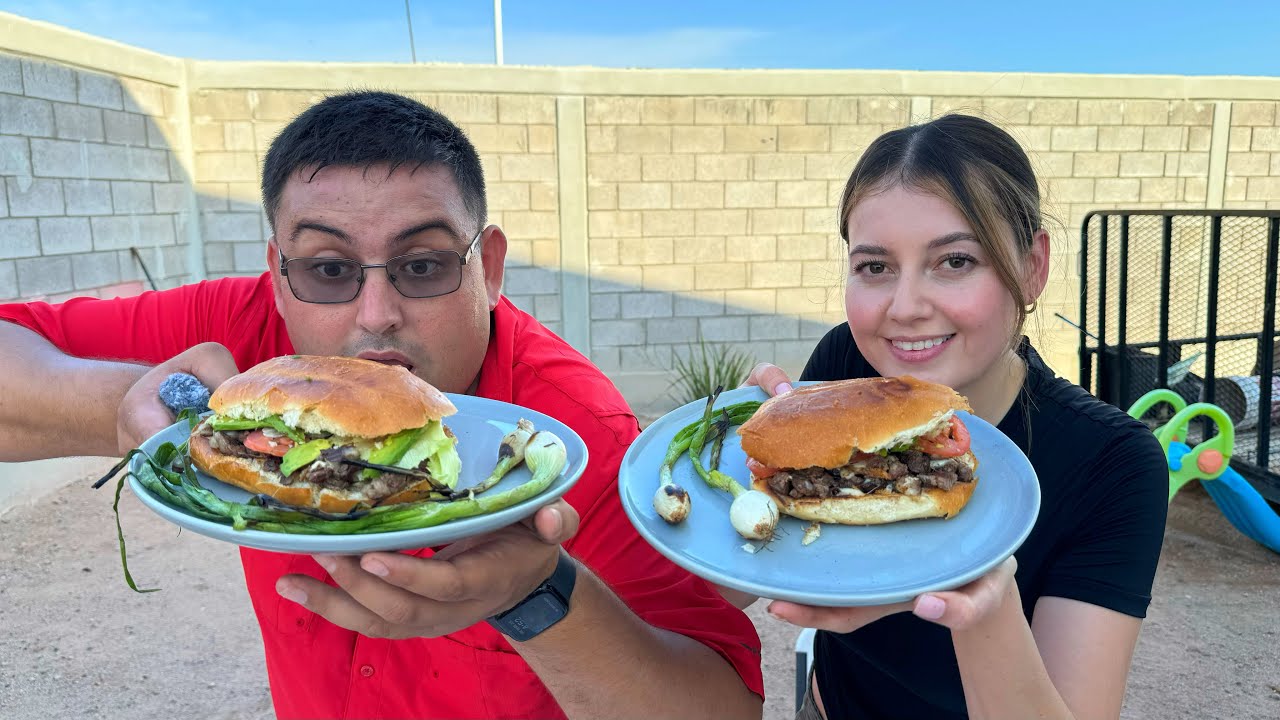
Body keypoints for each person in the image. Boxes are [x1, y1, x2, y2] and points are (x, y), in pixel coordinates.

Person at [0, 91, 764, 720]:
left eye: (423, 264)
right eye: (329, 267)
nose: (373, 313)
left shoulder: (567, 435)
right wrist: (125, 405)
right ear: (278, 272)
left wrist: (538, 595)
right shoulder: (250, 341)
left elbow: (720, 707)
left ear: (488, 268)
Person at [741, 114, 1169, 719]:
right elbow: (744, 569)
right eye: (875, 267)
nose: (905, 308)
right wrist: (738, 459)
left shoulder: (1114, 464)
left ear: (1031, 268)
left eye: (956, 261)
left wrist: (980, 605)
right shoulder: (847, 360)